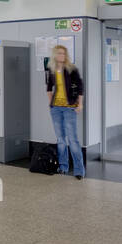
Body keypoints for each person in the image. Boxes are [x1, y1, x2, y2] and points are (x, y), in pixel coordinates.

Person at [43, 43, 88, 178]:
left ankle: (79, 171)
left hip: (69, 108)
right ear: (55, 55)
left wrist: (80, 104)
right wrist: (51, 103)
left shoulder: (71, 69)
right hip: (56, 109)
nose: (62, 56)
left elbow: (80, 87)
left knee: (73, 140)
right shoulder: (51, 70)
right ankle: (63, 167)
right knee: (61, 139)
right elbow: (49, 88)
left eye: (63, 53)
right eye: (59, 53)